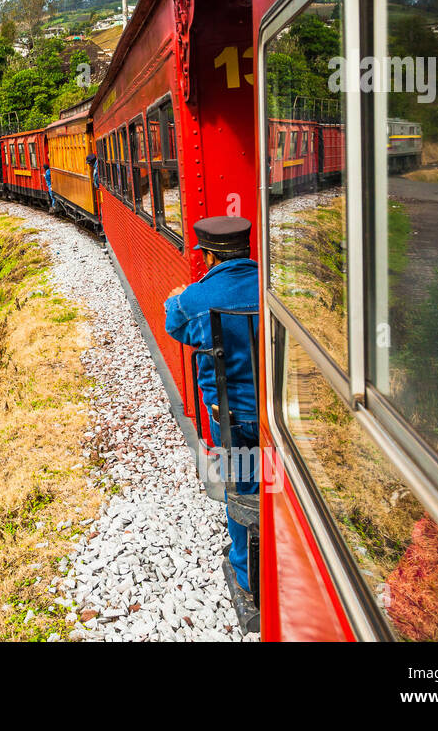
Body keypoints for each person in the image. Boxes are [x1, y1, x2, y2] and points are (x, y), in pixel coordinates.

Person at [163, 216, 260, 594]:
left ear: (208, 257)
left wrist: (179, 296)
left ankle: (247, 572)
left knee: (243, 487)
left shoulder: (197, 298)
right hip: (277, 415)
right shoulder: (271, 284)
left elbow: (175, 324)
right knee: (273, 484)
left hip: (231, 420)